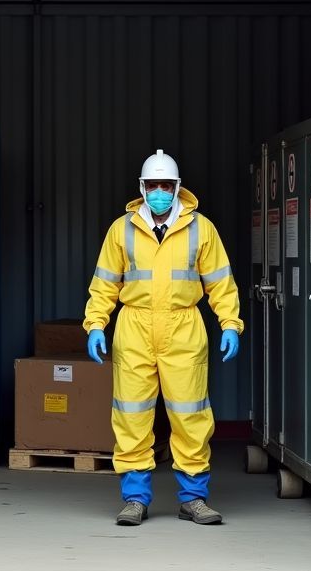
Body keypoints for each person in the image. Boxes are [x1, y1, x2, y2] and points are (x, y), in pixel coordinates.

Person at [83, 149, 243, 526]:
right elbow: (105, 283)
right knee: (131, 413)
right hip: (134, 327)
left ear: (177, 188)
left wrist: (230, 324)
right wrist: (94, 324)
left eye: (166, 186)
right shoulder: (121, 229)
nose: (159, 192)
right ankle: (135, 499)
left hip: (183, 327)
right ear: (142, 188)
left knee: (191, 414)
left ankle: (194, 499)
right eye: (153, 185)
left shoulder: (200, 228)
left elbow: (221, 282)